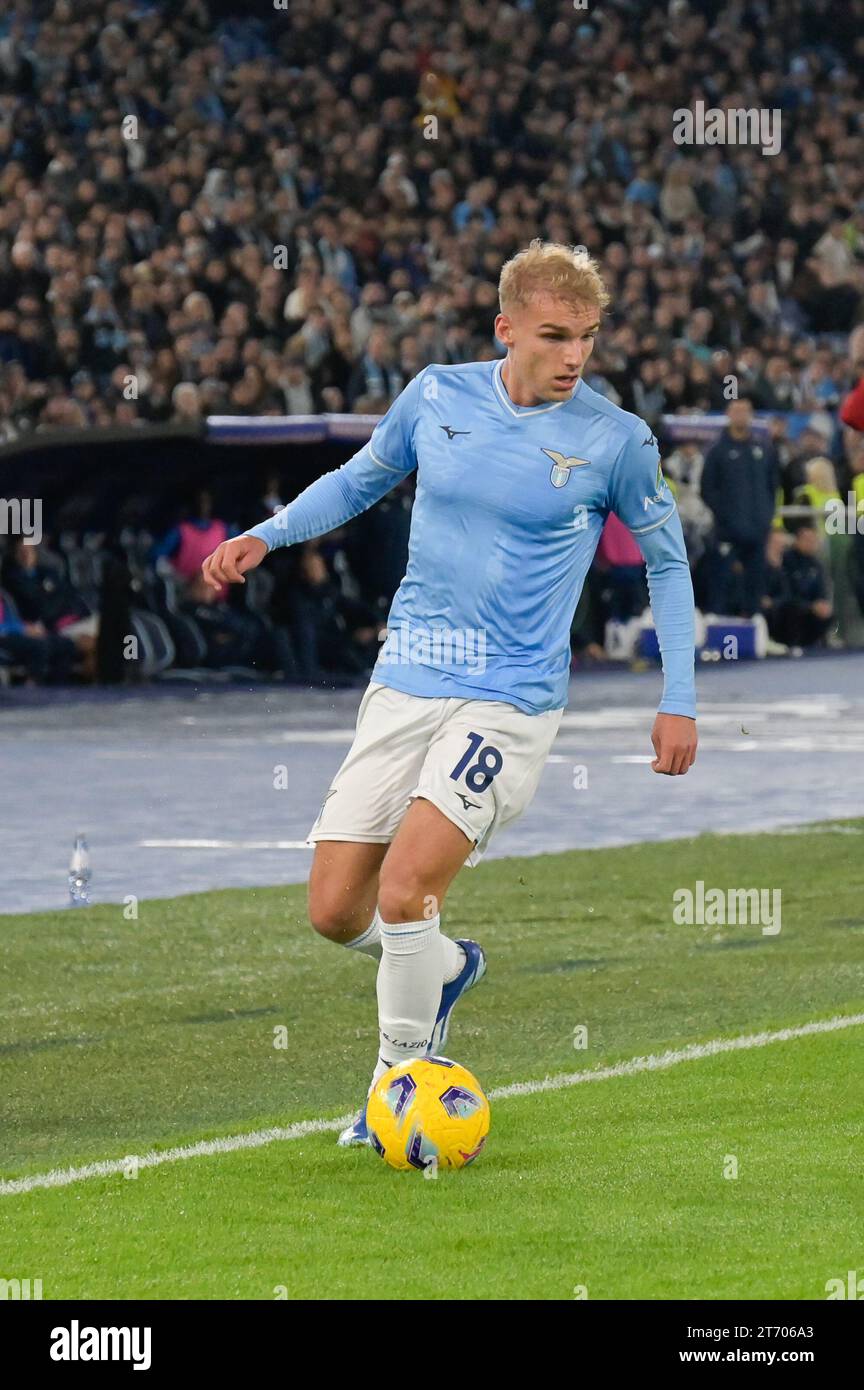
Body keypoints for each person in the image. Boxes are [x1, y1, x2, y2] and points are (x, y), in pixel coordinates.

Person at [202, 241, 698, 1148]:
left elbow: (667, 564)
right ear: (505, 328)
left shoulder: (615, 439)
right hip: (408, 677)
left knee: (404, 891)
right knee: (332, 911)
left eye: (588, 338)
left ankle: (394, 1089)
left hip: (509, 699)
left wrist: (680, 697)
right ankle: (445, 967)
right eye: (554, 337)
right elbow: (361, 480)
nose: (575, 357)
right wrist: (265, 537)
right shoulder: (437, 395)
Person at [700, 398, 778, 617]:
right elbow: (707, 489)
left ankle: (753, 627)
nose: (741, 415)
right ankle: (719, 629)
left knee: (755, 581)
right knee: (722, 579)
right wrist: (725, 516)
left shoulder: (763, 449)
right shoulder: (717, 451)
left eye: (745, 411)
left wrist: (766, 517)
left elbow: (772, 486)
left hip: (757, 530)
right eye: (737, 411)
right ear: (728, 414)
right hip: (727, 530)